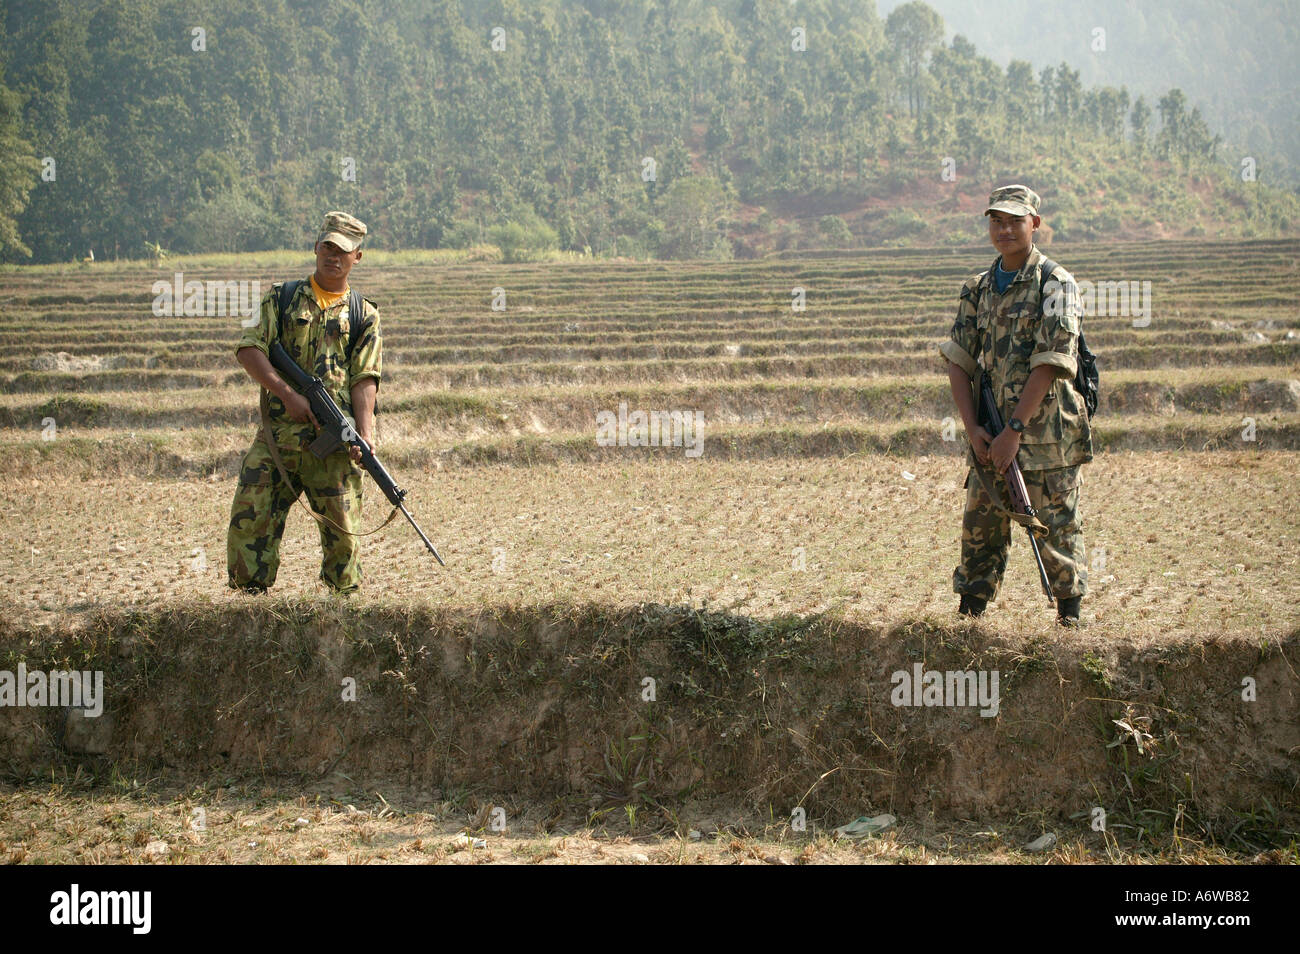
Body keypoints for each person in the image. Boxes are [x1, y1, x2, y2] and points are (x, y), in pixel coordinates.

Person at [939, 185, 1092, 625]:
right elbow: (958, 362)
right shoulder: (978, 289)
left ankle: (1070, 626)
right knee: (980, 533)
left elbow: (1050, 364)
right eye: (996, 221)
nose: (1004, 229)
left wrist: (1014, 431)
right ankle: (968, 626)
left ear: (1035, 225)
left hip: (1044, 437)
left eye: (1014, 221)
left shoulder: (1055, 284)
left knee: (1057, 532)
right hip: (990, 433)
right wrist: (975, 431)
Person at [226, 211, 381, 594]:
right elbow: (250, 350)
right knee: (250, 524)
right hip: (277, 437)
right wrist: (288, 395)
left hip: (332, 442)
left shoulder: (364, 314)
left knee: (343, 539)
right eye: (327, 246)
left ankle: (339, 617)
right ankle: (250, 610)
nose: (333, 256)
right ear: (316, 247)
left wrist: (365, 433)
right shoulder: (281, 298)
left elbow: (365, 378)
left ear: (357, 257)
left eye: (343, 250)